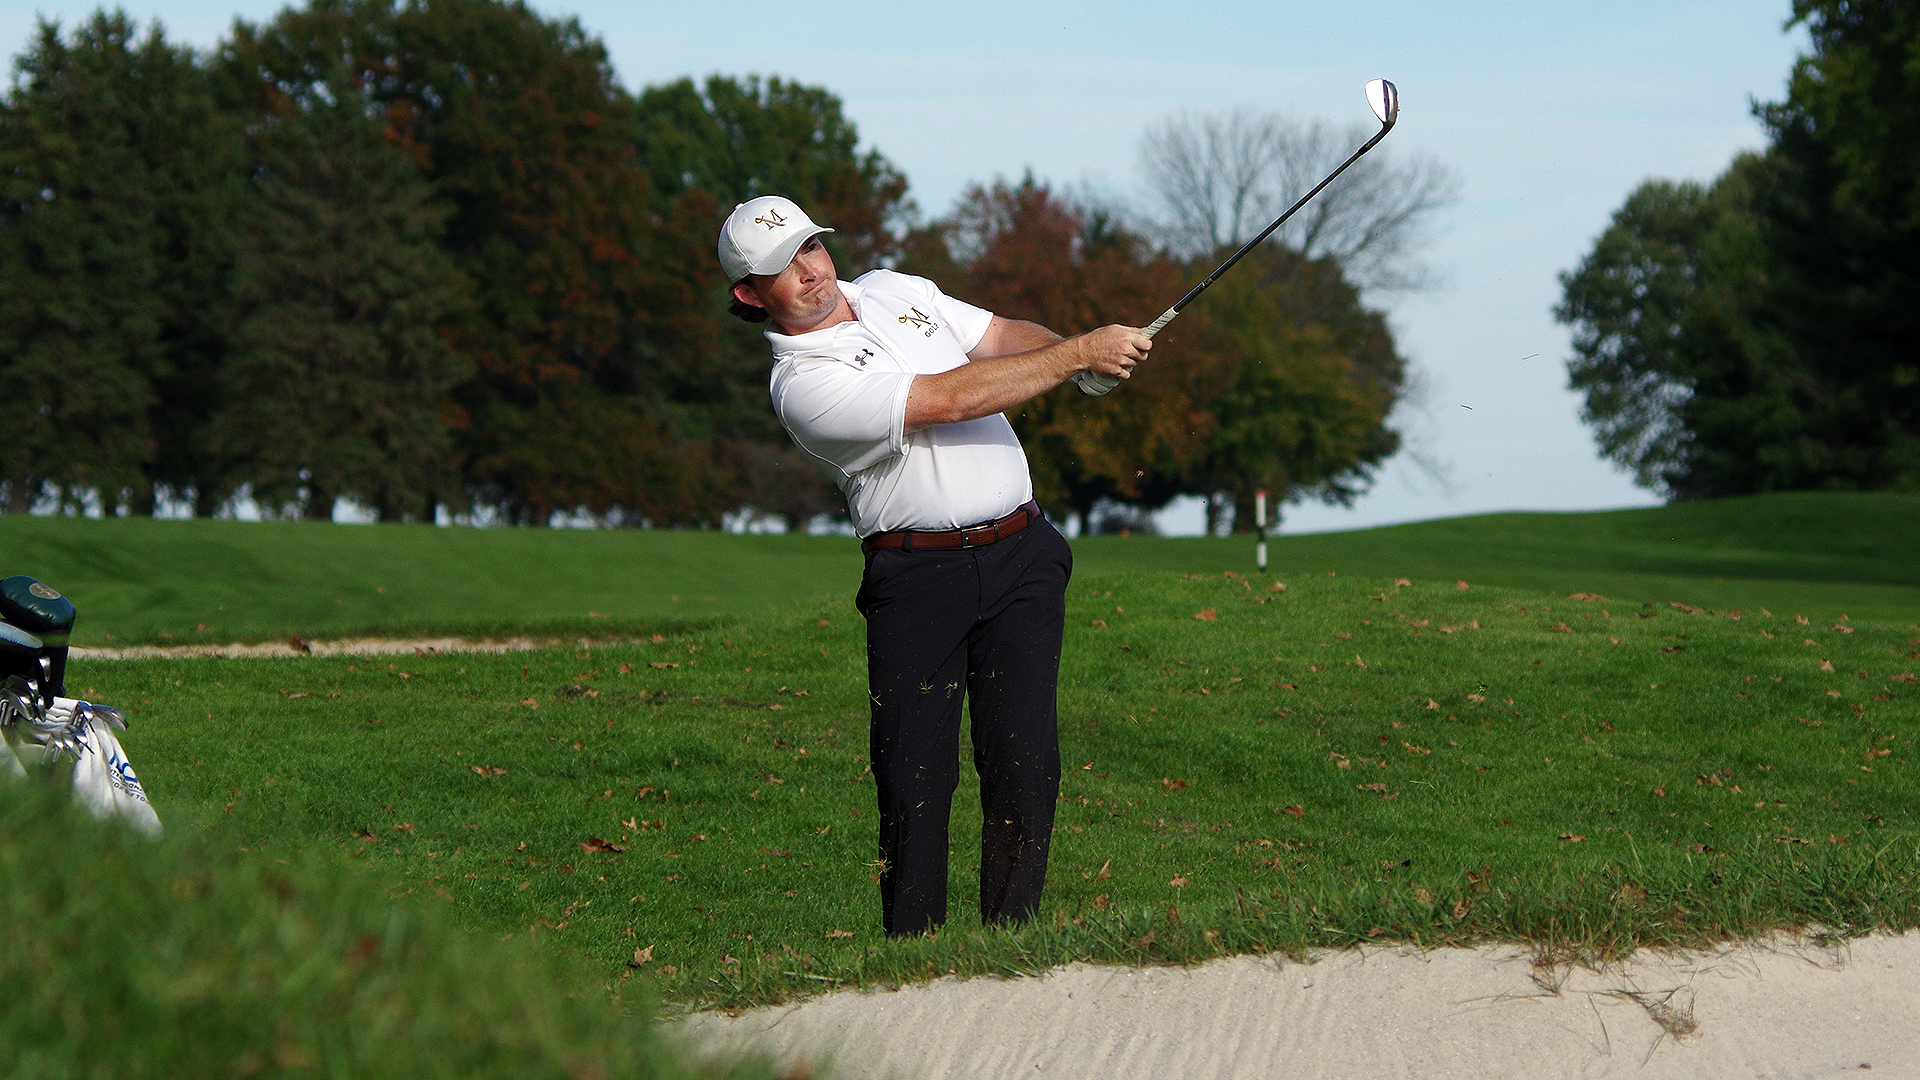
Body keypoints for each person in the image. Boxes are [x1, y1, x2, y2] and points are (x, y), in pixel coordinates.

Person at [719, 195, 1150, 936]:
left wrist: (1078, 358)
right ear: (750, 295)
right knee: (915, 779)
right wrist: (1077, 355)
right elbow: (946, 399)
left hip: (1022, 555)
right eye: (781, 269)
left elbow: (998, 337)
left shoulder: (893, 288)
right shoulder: (802, 384)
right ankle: (912, 959)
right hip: (918, 581)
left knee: (1025, 759)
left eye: (810, 249)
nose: (810, 272)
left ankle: (1011, 941)